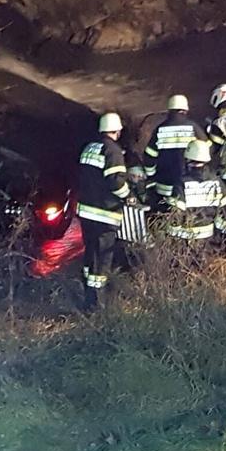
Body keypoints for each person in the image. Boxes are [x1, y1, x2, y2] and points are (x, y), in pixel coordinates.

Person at [76, 112, 132, 312]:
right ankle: (97, 306)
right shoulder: (113, 151)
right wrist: (128, 196)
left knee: (90, 255)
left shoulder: (90, 148)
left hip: (86, 212)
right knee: (102, 259)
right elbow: (116, 181)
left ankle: (87, 297)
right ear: (117, 130)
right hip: (104, 214)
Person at [143, 94, 207, 203]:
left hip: (164, 185)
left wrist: (151, 175)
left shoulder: (160, 129)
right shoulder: (193, 128)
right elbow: (205, 150)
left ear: (169, 111)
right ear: (185, 111)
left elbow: (149, 156)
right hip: (186, 187)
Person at [166, 140, 226, 241]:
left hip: (186, 239)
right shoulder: (217, 181)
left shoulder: (181, 183)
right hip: (209, 237)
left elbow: (175, 217)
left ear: (187, 159)